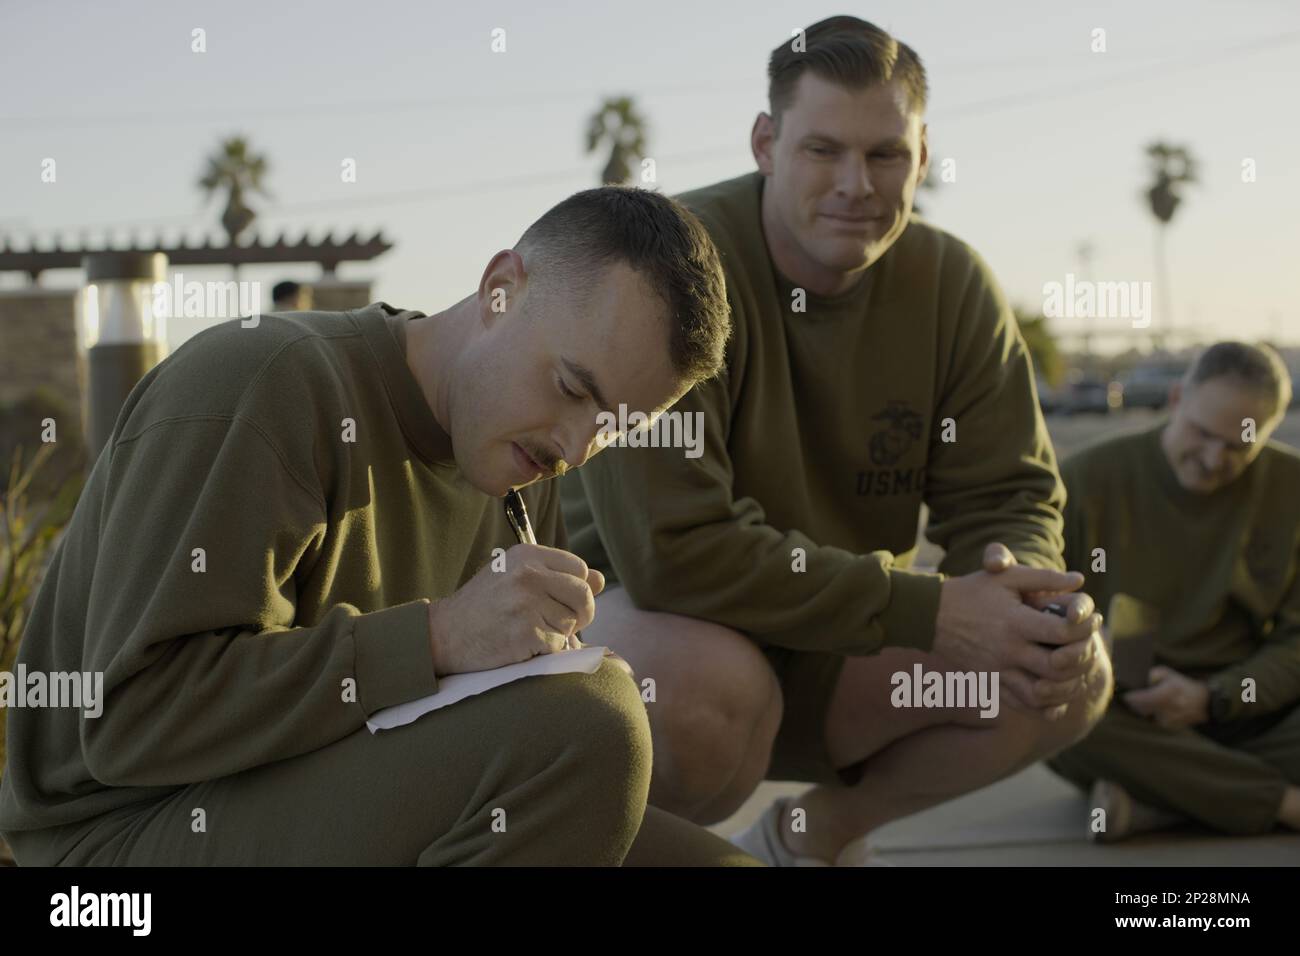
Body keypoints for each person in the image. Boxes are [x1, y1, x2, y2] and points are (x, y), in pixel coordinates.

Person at [0, 186, 759, 866]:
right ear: (500, 290)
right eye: (569, 388)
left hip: (306, 801)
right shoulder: (263, 386)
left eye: (615, 427)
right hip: (117, 850)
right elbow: (132, 721)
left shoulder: (520, 462)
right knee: (594, 728)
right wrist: (436, 638)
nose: (575, 445)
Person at [561, 15, 1113, 865]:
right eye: (824, 150)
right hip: (650, 633)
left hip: (833, 638)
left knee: (1062, 678)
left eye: (886, 154)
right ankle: (607, 852)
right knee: (714, 689)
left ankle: (804, 840)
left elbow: (1007, 492)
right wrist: (931, 611)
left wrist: (1021, 598)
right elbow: (672, 553)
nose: (857, 183)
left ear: (923, 158)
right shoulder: (672, 265)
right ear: (766, 143)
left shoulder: (952, 282)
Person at [1047, 342, 1300, 842]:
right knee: (1051, 715)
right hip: (1123, 716)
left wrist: (1213, 698)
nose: (1212, 459)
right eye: (1203, 434)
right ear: (1178, 398)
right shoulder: (1086, 480)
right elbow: (1038, 620)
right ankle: (1283, 803)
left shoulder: (1291, 487)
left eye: (1238, 447)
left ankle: (1162, 800)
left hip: (1246, 711)